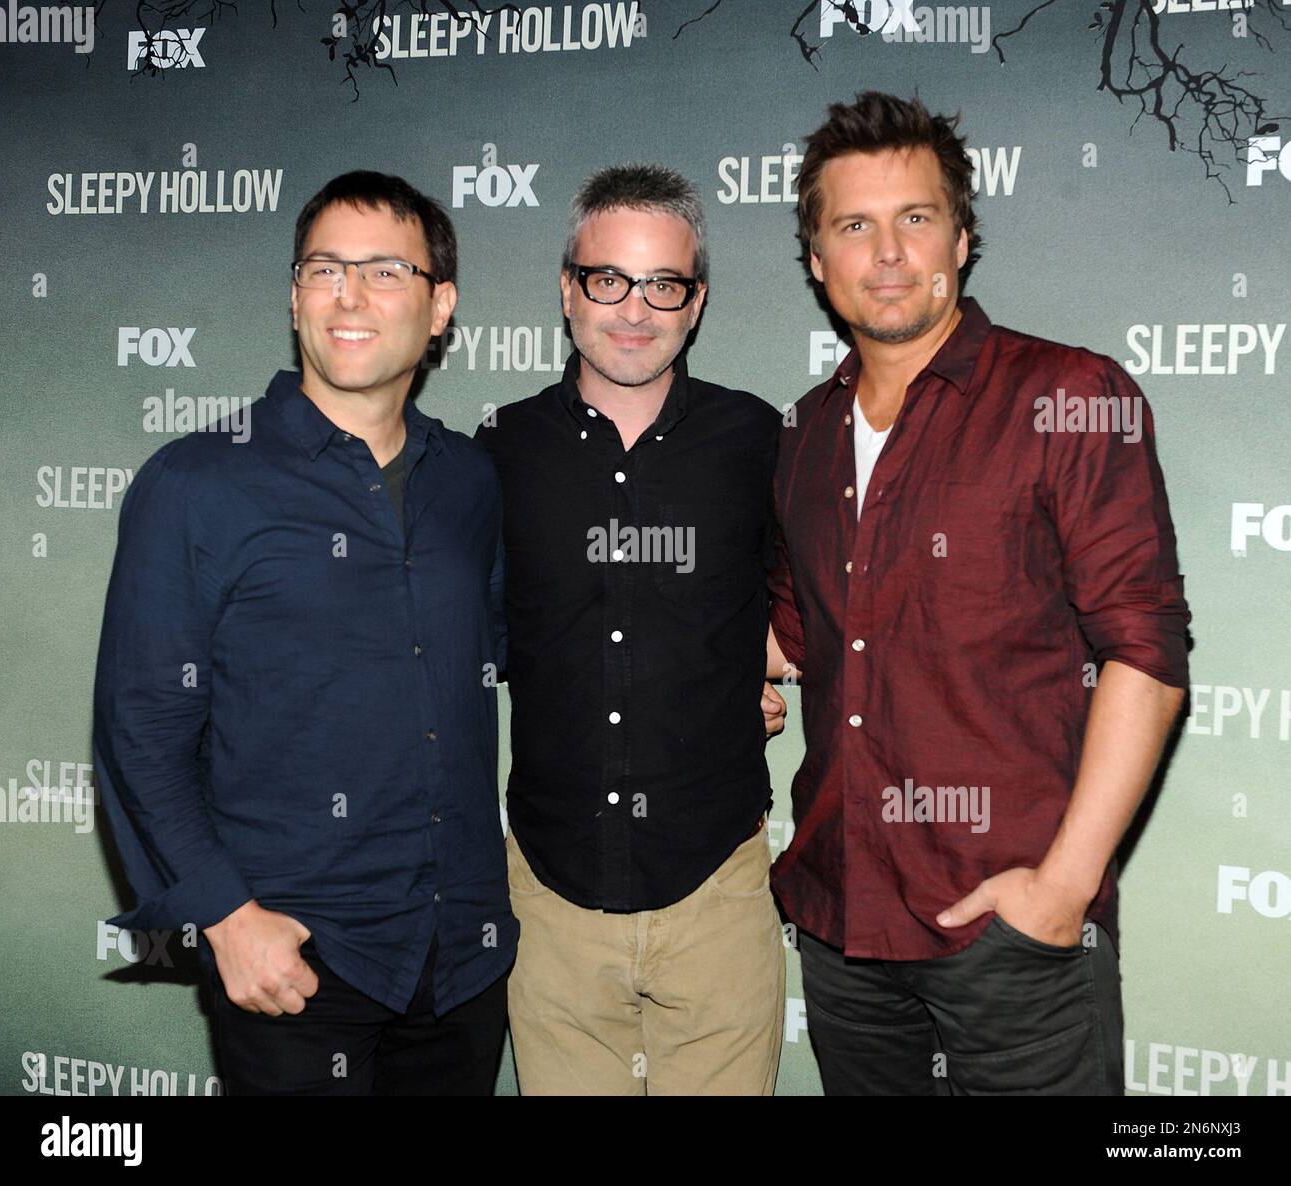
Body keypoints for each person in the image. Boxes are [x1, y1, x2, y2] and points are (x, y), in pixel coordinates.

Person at [767, 92, 1190, 1095]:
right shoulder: (800, 434)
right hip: (843, 929)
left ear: (961, 235)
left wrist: (1065, 885)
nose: (887, 252)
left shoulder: (1069, 399)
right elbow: (794, 630)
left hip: (1012, 940)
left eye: (915, 218)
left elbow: (1146, 648)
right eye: (853, 225)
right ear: (816, 258)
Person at [93, 170, 515, 1096]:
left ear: (440, 306)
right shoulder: (197, 485)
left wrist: (719, 665)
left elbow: (502, 654)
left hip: (463, 959)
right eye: (324, 268)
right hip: (295, 965)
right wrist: (227, 920)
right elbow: (141, 733)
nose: (348, 296)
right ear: (294, 295)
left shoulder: (471, 483)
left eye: (385, 271)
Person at [475, 164, 786, 1095]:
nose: (635, 309)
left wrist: (759, 665)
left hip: (718, 890)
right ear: (568, 290)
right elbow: (468, 633)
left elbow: (838, 597)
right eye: (608, 279)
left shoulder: (760, 441)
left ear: (695, 304)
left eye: (664, 285)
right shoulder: (496, 452)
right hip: (550, 894)